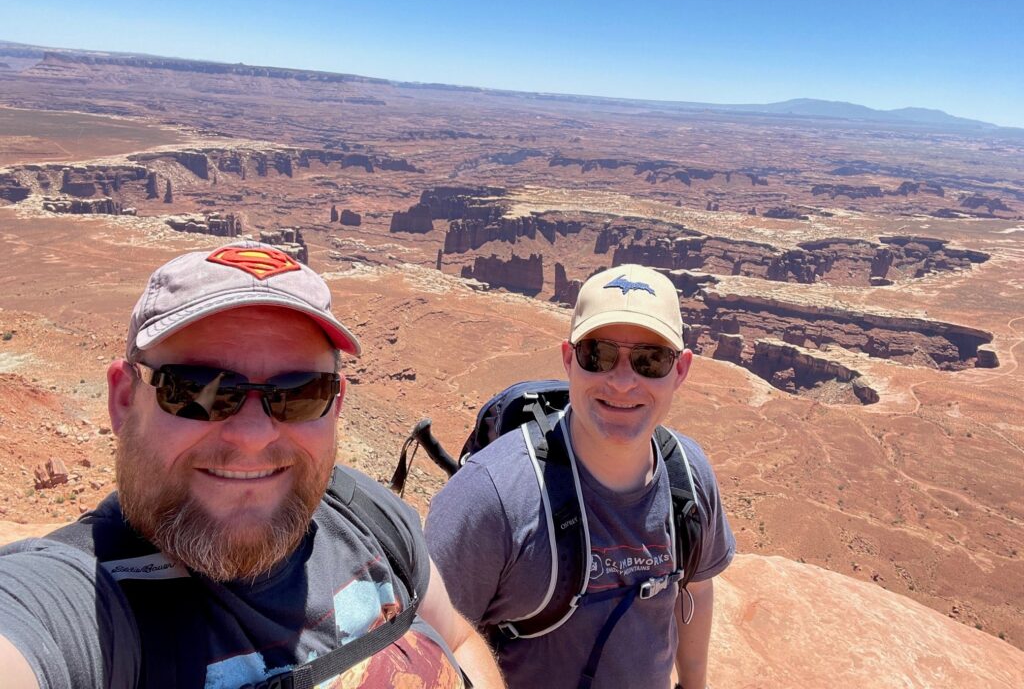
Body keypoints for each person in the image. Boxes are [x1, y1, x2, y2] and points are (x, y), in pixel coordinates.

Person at [0, 242, 504, 689]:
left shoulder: (372, 518)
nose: (252, 436)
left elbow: (457, 640)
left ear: (337, 405)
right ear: (124, 399)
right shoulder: (81, 603)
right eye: (196, 391)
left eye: (301, 394)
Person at [425, 264, 735, 689]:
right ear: (570, 360)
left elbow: (695, 589)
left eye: (650, 360)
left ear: (680, 370)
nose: (623, 381)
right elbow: (429, 645)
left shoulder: (689, 475)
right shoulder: (490, 498)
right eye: (599, 355)